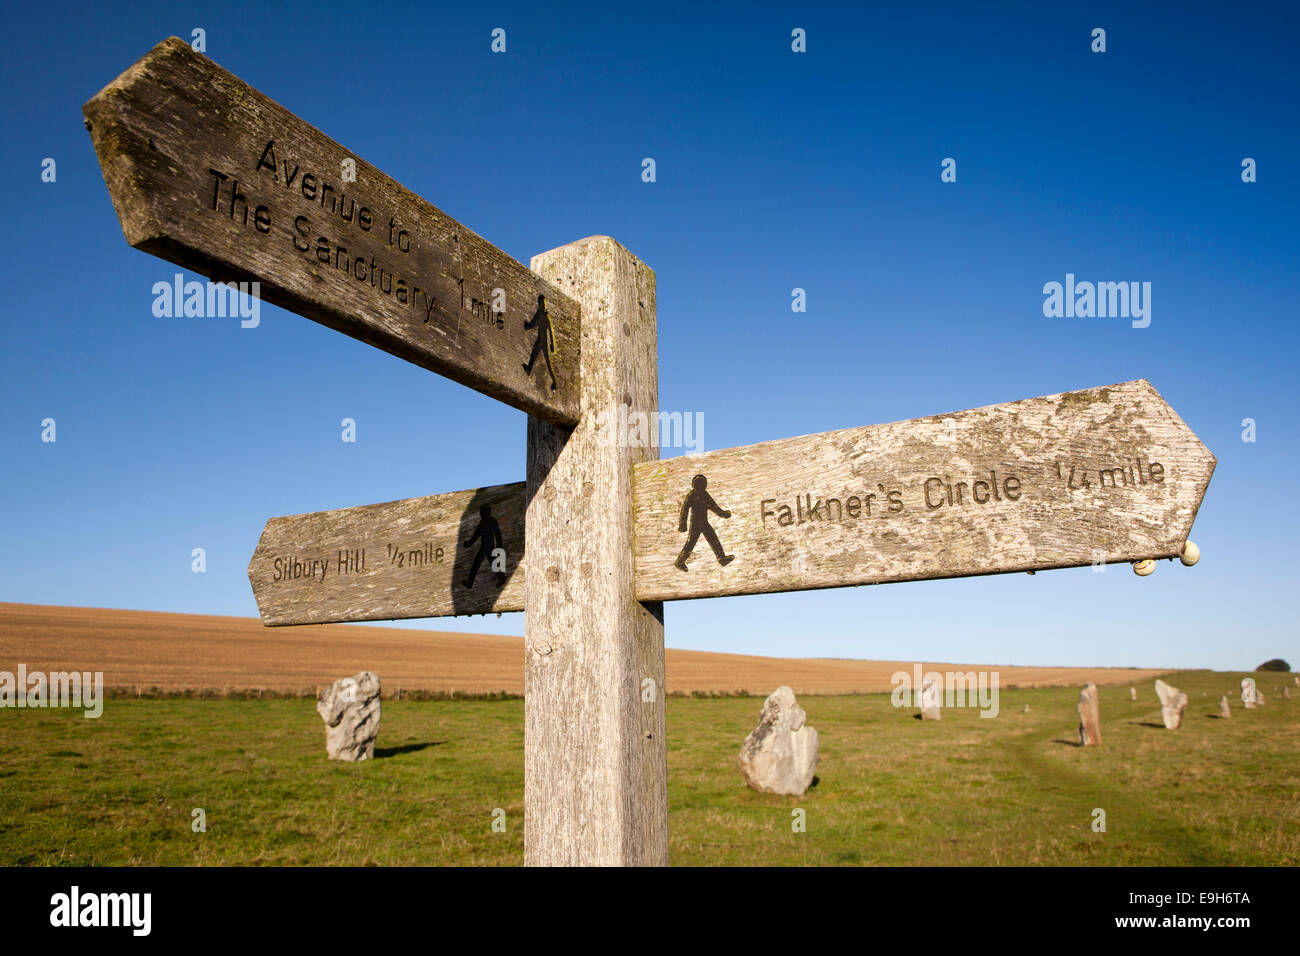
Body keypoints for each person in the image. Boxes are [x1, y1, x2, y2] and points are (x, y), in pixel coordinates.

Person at [675, 474, 734, 571]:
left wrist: (724, 514)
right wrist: (682, 525)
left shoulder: (705, 495)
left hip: (704, 522)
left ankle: (722, 558)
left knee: (713, 539)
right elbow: (684, 511)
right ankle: (680, 561)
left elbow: (714, 506)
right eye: (702, 484)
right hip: (695, 524)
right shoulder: (691, 495)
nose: (704, 486)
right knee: (691, 543)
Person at [463, 504, 506, 588]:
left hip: (485, 548)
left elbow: (475, 536)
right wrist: (499, 544)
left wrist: (468, 544)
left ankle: (470, 583)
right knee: (490, 565)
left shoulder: (483, 523)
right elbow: (498, 534)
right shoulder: (492, 521)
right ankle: (502, 578)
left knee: (477, 564)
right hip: (489, 547)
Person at [522, 294, 557, 391]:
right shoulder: (540, 314)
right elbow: (533, 324)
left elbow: (550, 331)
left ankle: (555, 382)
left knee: (548, 363)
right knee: (533, 354)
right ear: (540, 304)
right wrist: (528, 326)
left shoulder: (544, 316)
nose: (544, 305)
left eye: (544, 303)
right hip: (540, 340)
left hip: (544, 342)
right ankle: (529, 369)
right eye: (542, 303)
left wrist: (552, 345)